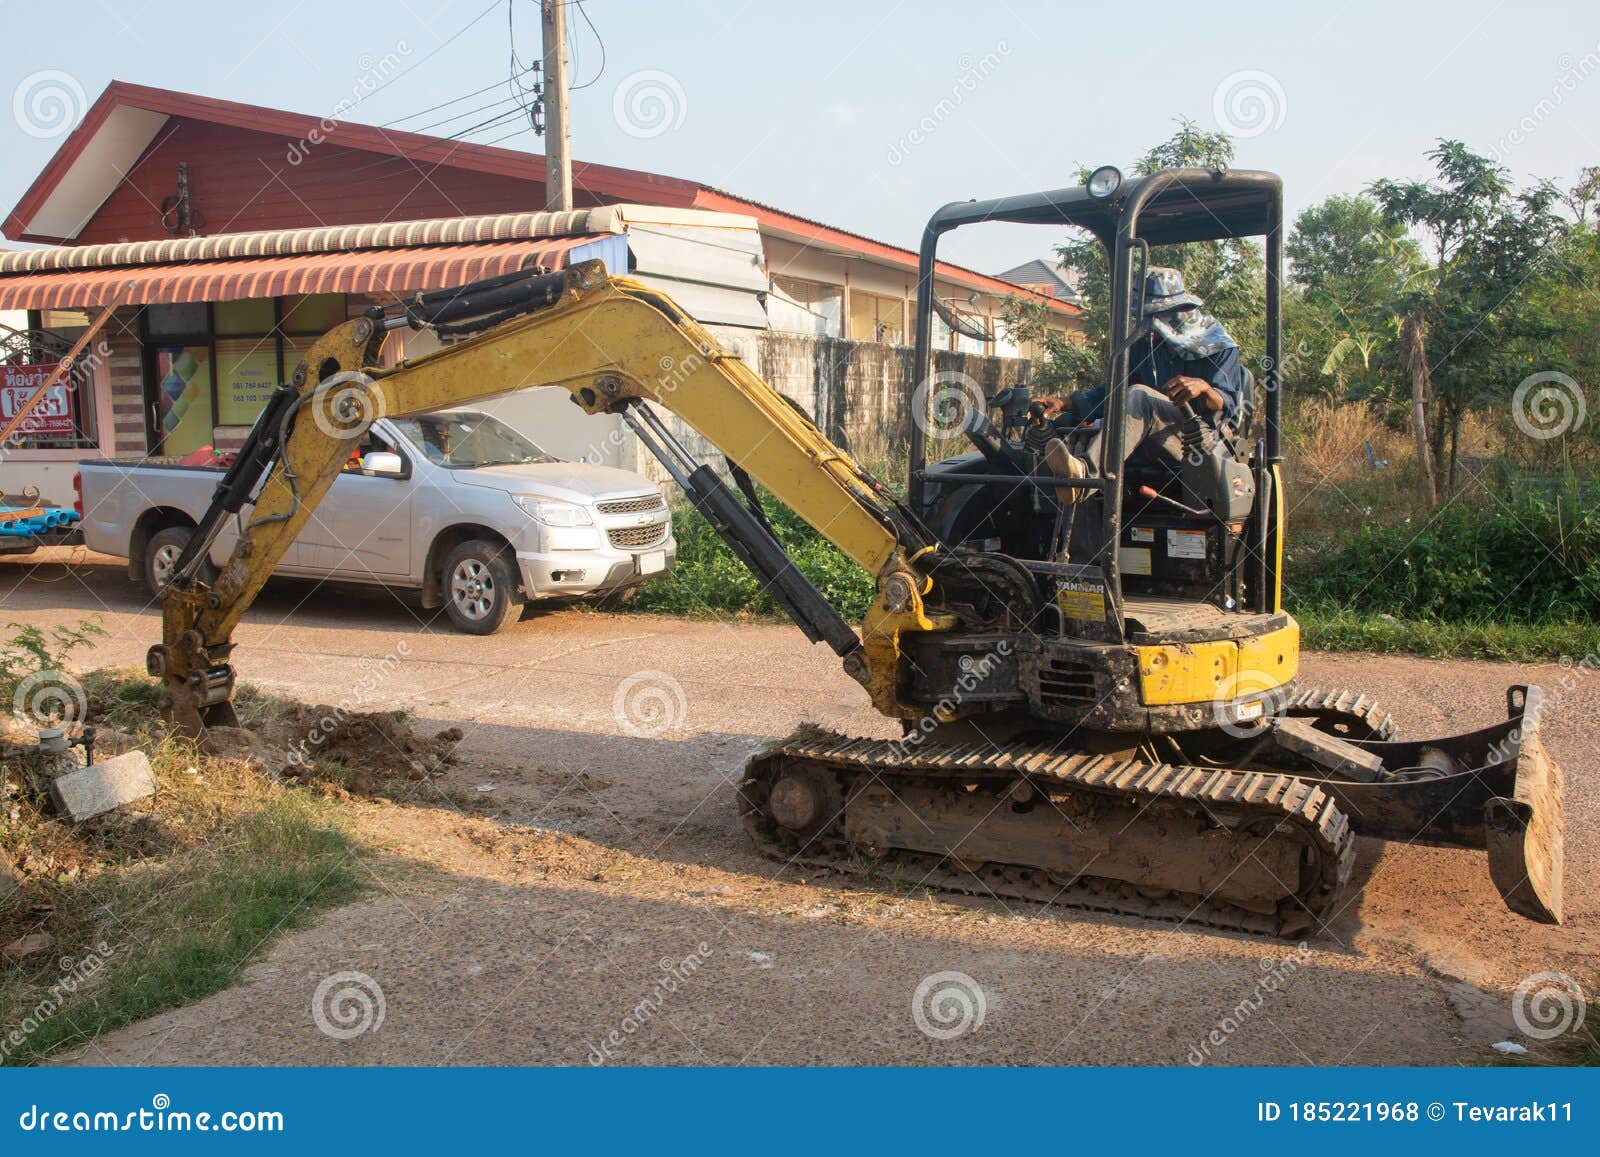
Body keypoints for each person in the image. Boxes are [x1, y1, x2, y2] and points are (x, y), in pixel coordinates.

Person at [1046, 268, 1246, 499]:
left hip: (1201, 441)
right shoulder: (1145, 348)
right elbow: (1113, 394)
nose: (1152, 324)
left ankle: (1084, 476)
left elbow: (1229, 406)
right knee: (1070, 422)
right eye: (1146, 316)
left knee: (1140, 396)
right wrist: (1064, 403)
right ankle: (1051, 496)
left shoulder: (1218, 346)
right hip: (1150, 439)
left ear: (1179, 310)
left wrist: (1203, 388)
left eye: (1157, 315)